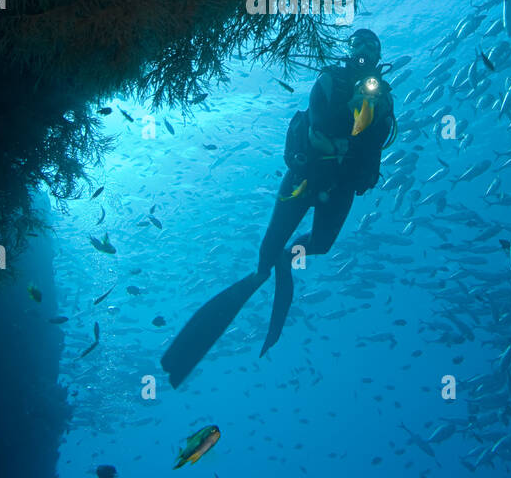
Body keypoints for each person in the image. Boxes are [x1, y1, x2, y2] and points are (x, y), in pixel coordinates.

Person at [161, 29, 396, 387]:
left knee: (321, 244)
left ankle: (288, 258)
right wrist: (348, 113)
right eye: (359, 45)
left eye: (372, 46)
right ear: (350, 51)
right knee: (266, 253)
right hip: (305, 178)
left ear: (379, 56)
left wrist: (372, 115)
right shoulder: (330, 79)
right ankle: (261, 275)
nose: (365, 51)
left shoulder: (385, 99)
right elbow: (317, 123)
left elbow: (376, 146)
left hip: (341, 186)